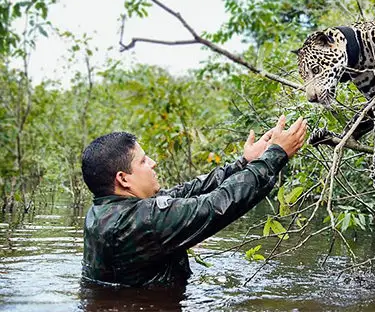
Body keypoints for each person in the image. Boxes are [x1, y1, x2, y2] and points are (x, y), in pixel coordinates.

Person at [80, 115, 307, 287]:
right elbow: (218, 204)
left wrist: (244, 162)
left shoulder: (104, 210)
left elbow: (186, 192)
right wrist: (276, 154)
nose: (153, 163)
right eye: (143, 161)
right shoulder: (142, 221)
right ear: (123, 179)